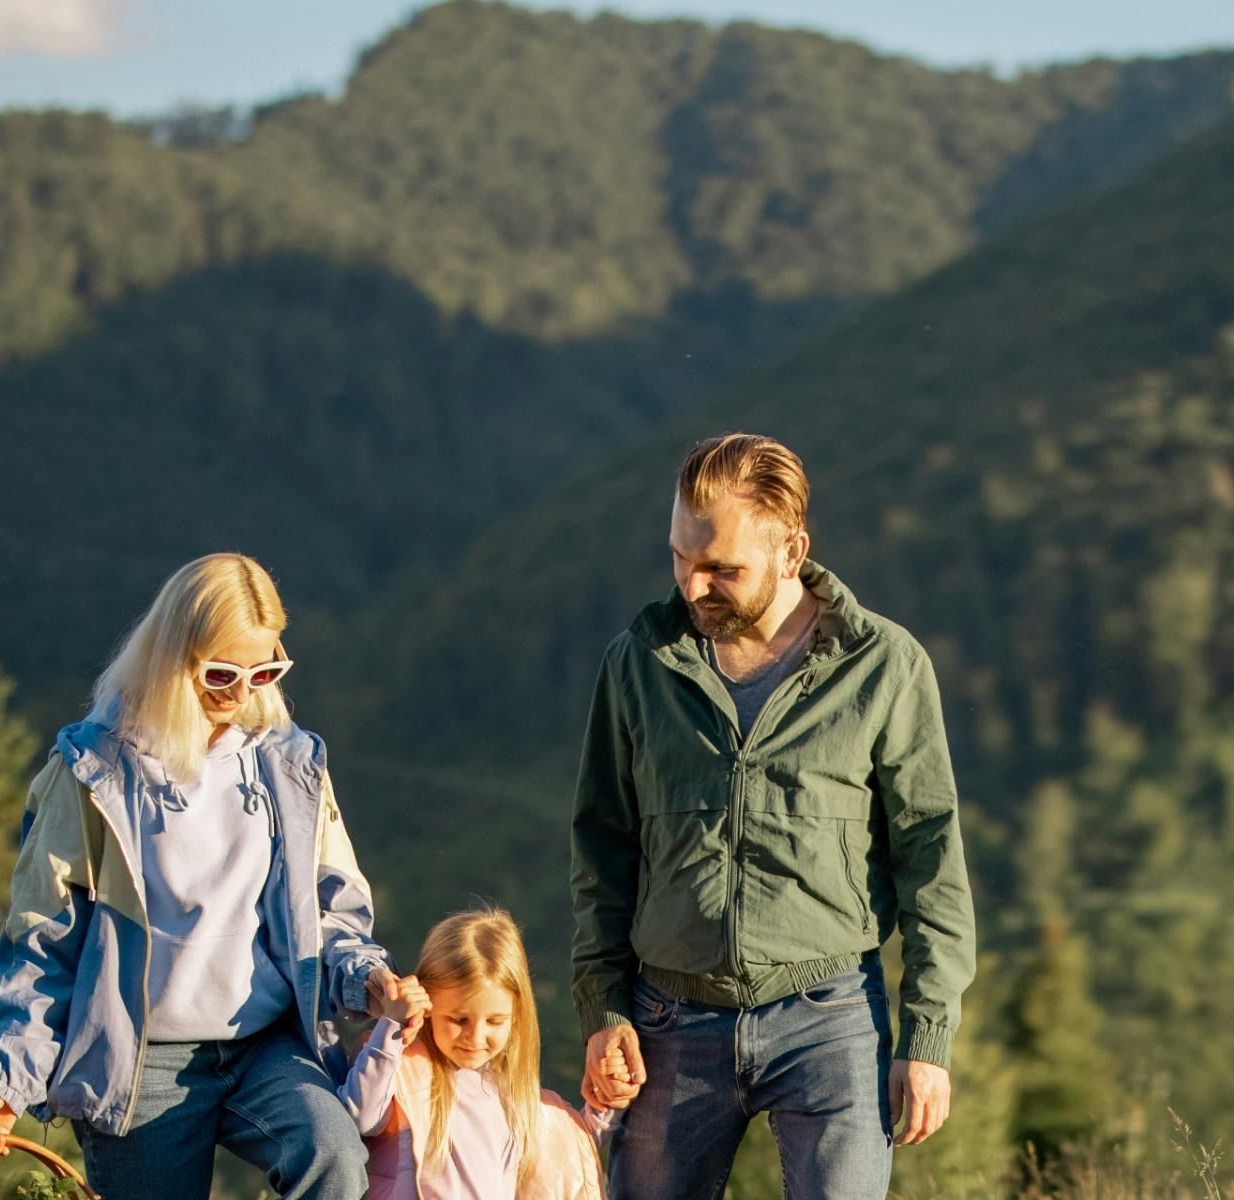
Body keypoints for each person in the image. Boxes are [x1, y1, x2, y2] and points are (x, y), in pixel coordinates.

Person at [571, 433, 980, 1199]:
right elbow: (603, 848)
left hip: (831, 1017)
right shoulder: (637, 663)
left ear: (791, 550)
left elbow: (931, 859)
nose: (693, 587)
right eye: (680, 558)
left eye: (722, 568)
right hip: (667, 1022)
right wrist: (604, 1009)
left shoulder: (885, 667)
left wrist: (928, 1037)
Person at [0, 552, 395, 1200]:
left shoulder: (289, 764)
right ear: (173, 660)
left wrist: (368, 981)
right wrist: (8, 1080)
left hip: (263, 1043)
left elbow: (331, 911)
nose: (244, 692)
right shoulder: (92, 773)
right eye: (222, 673)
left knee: (331, 1151)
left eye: (266, 669)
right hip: (138, 1063)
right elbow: (43, 941)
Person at [340, 906, 617, 1200]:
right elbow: (360, 1117)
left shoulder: (515, 1094)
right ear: (428, 1005)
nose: (476, 1036)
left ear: (515, 1016)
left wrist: (605, 1101)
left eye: (495, 1021)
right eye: (459, 1020)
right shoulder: (400, 1066)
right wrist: (392, 1026)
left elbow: (566, 1156)